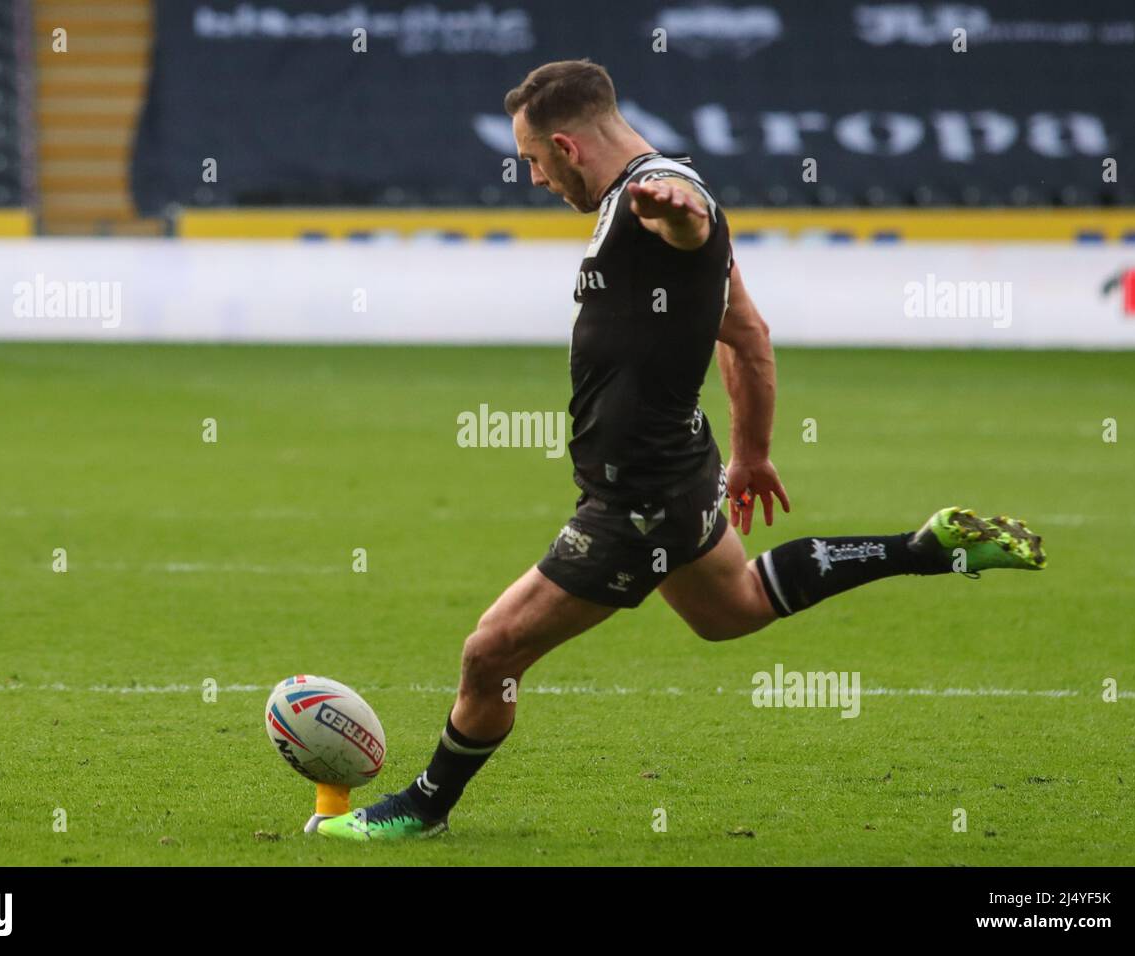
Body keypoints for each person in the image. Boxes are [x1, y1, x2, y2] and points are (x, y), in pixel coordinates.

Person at [319, 59, 1044, 841]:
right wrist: (753, 453)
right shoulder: (643, 193)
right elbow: (747, 333)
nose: (532, 176)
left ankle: (422, 809)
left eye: (532, 159)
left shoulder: (657, 199)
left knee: (490, 651)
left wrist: (680, 213)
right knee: (730, 610)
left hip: (637, 501)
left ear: (566, 144)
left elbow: (687, 222)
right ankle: (924, 549)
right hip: (687, 466)